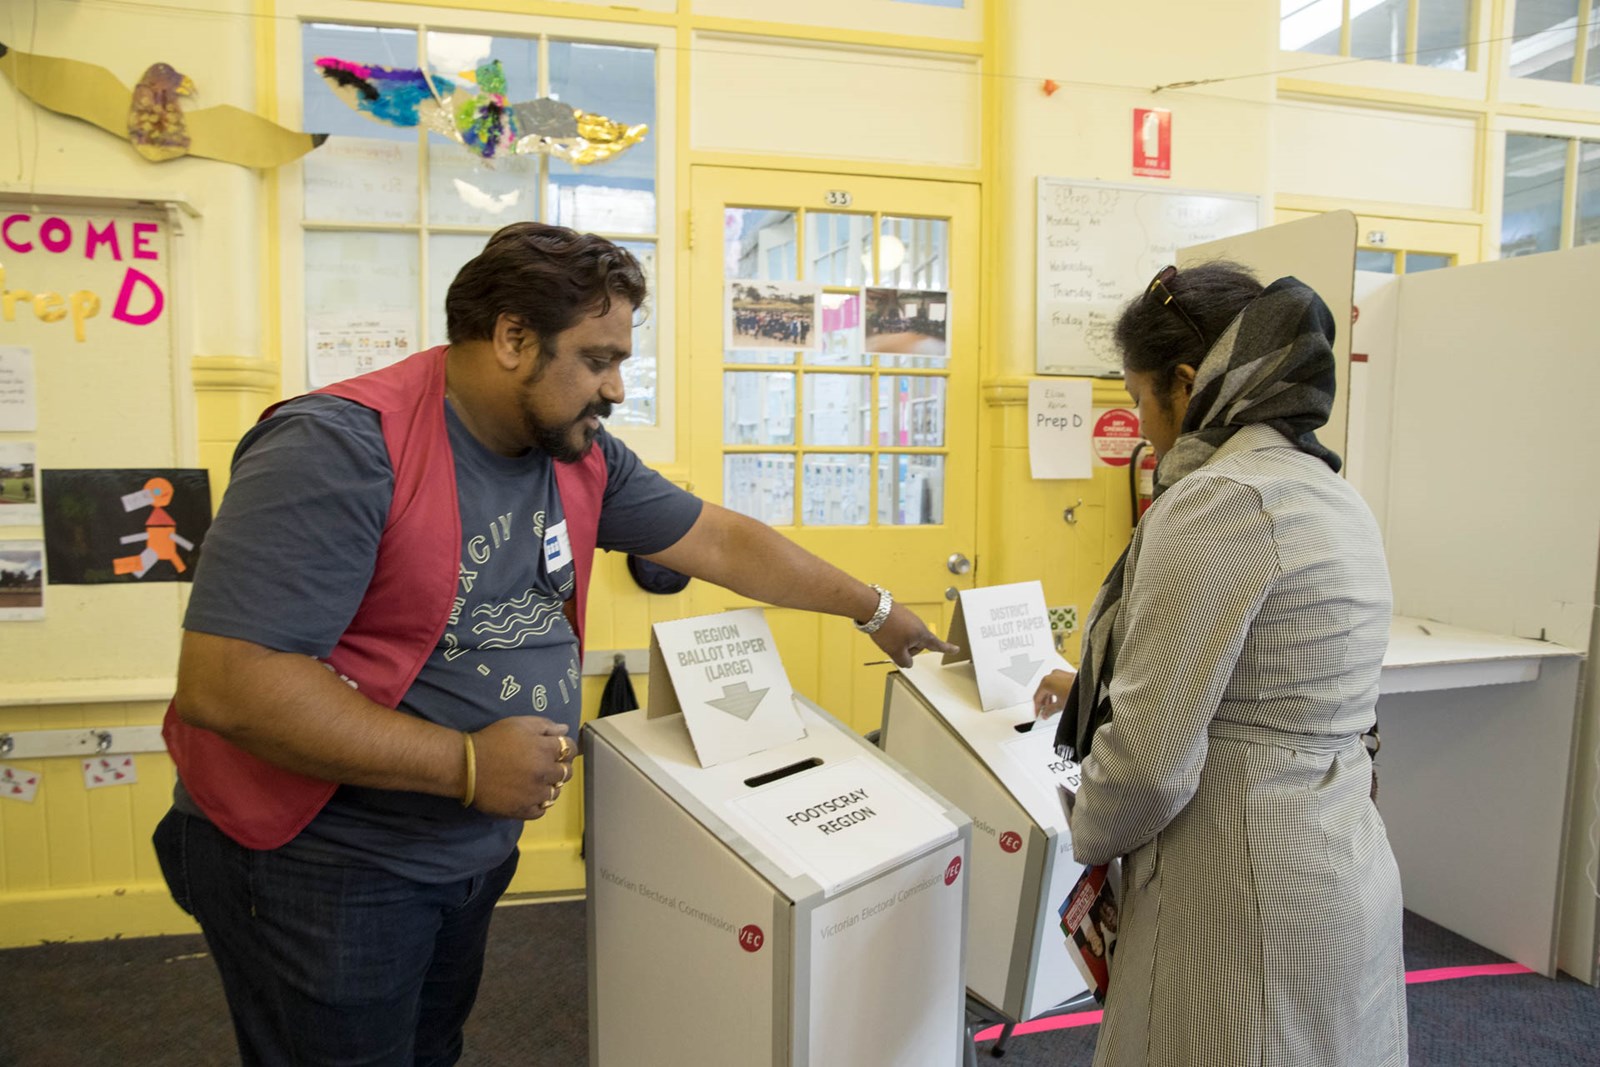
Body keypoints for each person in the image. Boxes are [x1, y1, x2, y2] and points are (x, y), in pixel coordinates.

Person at [152, 221, 954, 1066]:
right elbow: (231, 683)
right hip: (323, 861)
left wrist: (876, 610)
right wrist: (465, 763)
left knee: (428, 1049)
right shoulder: (339, 447)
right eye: (598, 359)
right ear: (511, 337)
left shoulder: (575, 452)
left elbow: (720, 541)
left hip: (462, 845)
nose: (616, 387)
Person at [1033, 263, 1407, 1066]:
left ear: (1185, 382)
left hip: (1239, 885)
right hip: (1338, 853)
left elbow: (1148, 768)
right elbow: (1267, 680)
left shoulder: (1218, 500)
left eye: (1138, 397)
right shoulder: (1326, 487)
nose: (1142, 426)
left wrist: (1088, 822)